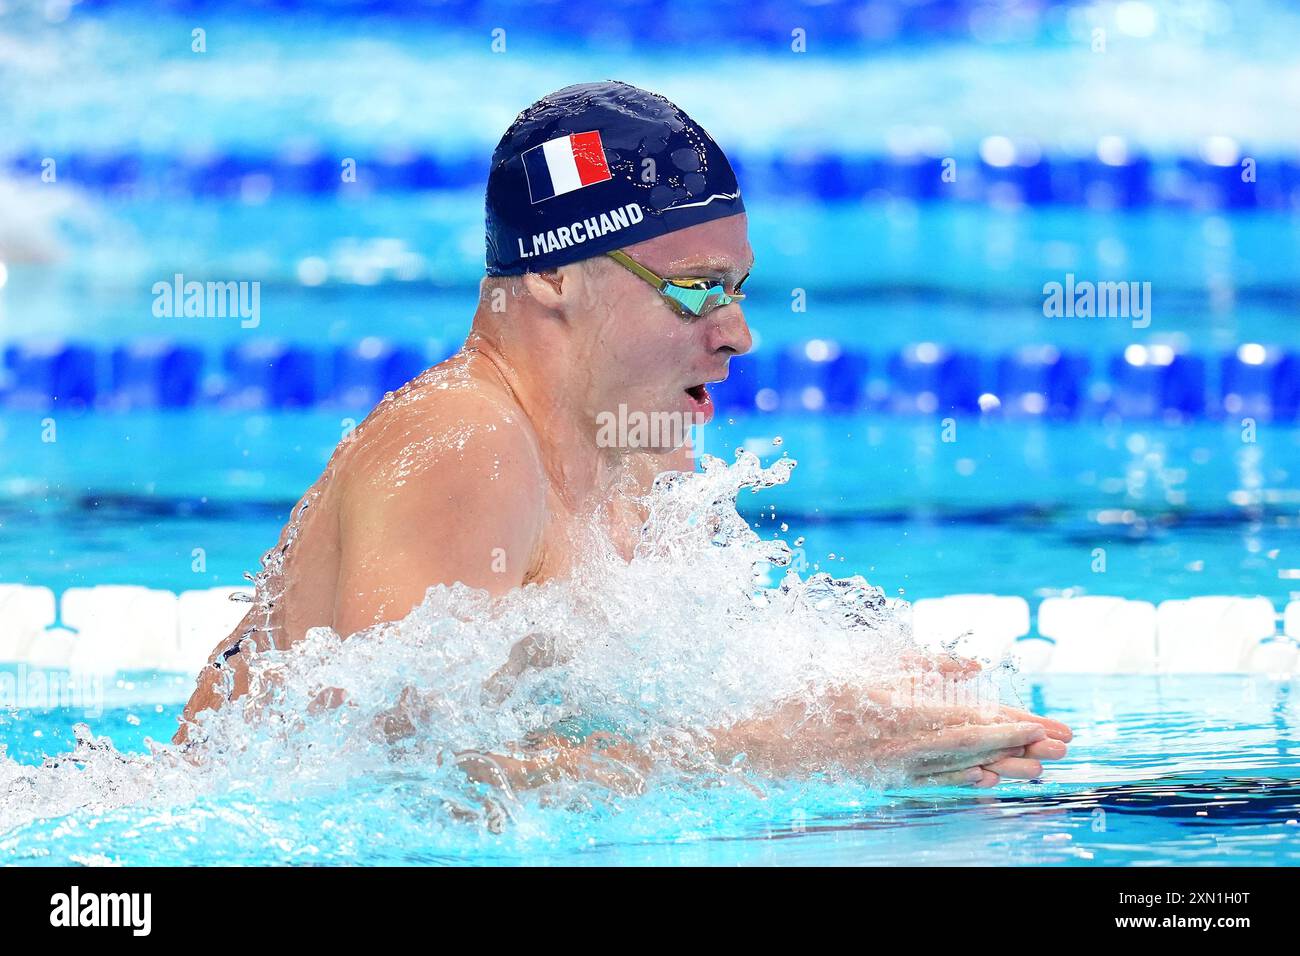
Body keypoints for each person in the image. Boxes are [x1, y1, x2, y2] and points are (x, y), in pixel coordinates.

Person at [174, 80, 1071, 788]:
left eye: (740, 287)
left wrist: (866, 709)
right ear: (558, 277)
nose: (736, 332)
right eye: (695, 289)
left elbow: (616, 715)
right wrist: (800, 754)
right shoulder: (465, 443)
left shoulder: (621, 456)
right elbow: (386, 786)